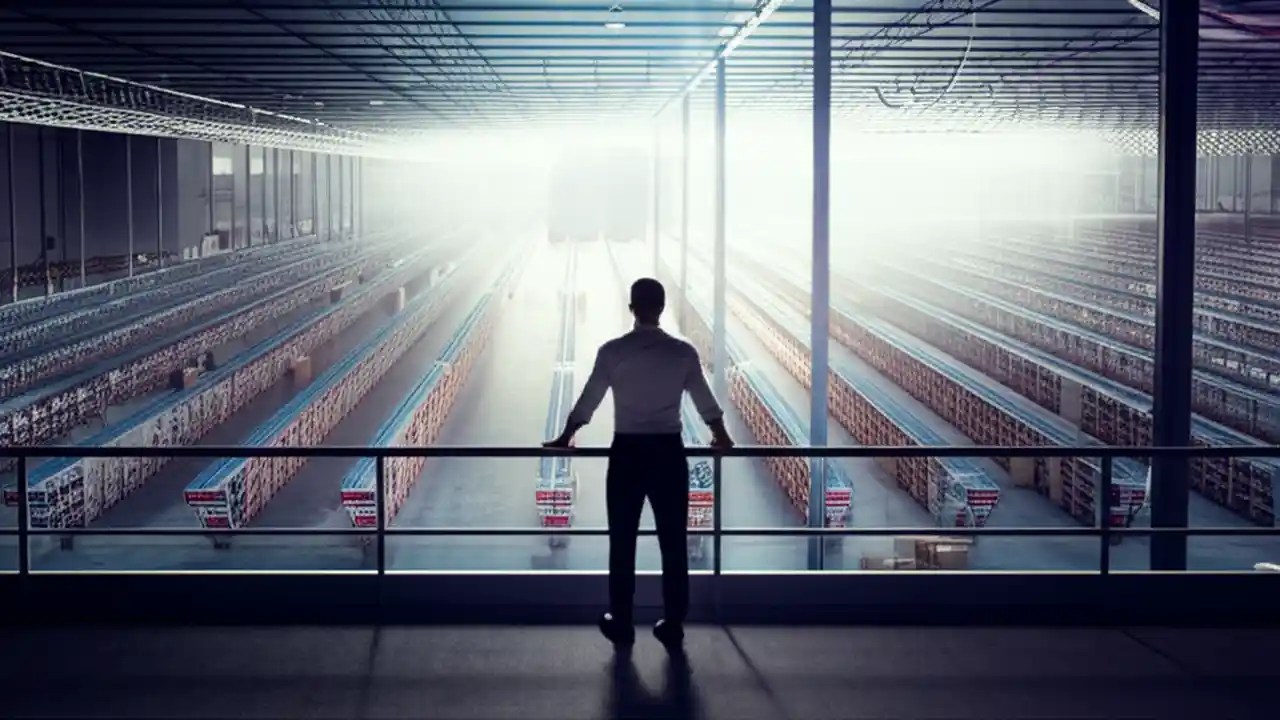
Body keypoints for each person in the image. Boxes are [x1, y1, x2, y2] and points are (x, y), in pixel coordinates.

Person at [544, 277, 733, 649]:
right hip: (668, 453)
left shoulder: (613, 352)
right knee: (674, 543)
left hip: (627, 453)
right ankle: (674, 622)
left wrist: (566, 437)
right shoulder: (682, 353)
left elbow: (589, 401)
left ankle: (622, 621)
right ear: (662, 308)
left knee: (622, 541)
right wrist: (721, 437)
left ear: (632, 308)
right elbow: (705, 402)